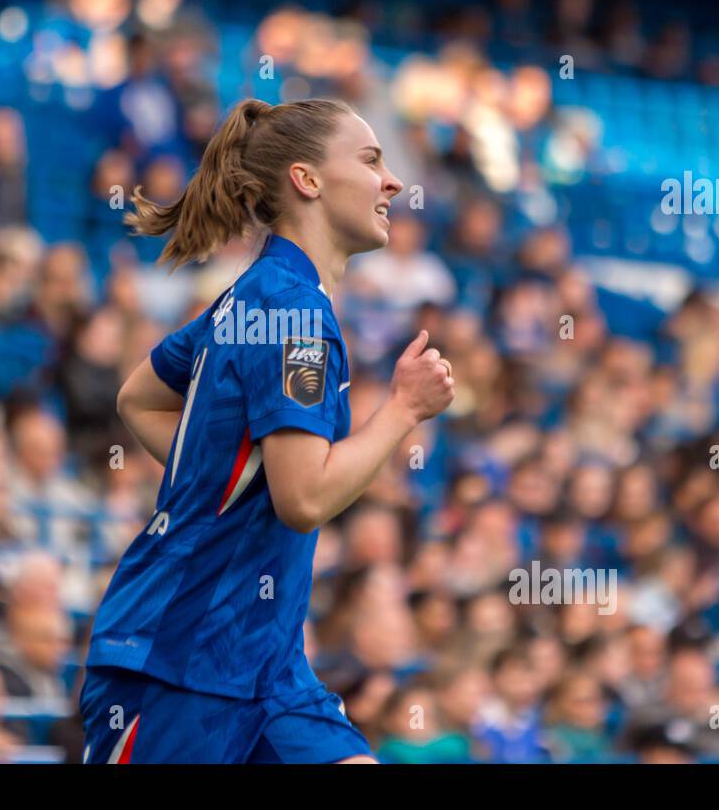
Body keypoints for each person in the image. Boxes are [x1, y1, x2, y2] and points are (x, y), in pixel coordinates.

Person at [79, 97, 455, 763]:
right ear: (307, 180)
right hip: (180, 662)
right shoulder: (293, 312)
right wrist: (403, 409)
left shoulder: (254, 296)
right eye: (370, 160)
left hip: (268, 668)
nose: (392, 181)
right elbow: (303, 499)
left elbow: (139, 398)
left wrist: (223, 477)